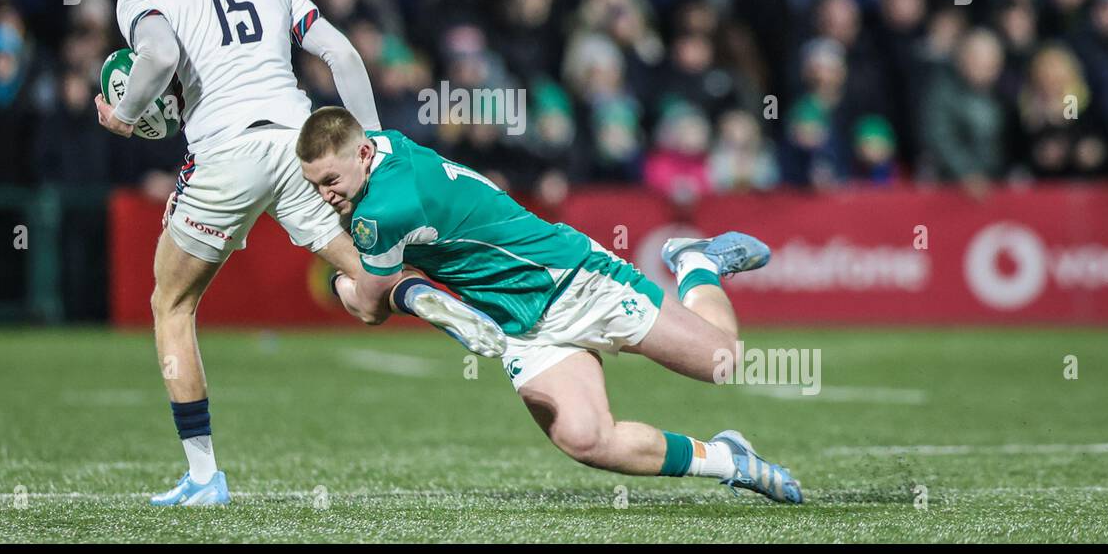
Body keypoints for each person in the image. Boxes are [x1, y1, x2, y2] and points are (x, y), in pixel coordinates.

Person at [94, 0, 504, 507]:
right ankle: (429, 302)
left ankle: (204, 477)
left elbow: (158, 59)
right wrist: (373, 144)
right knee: (369, 288)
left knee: (171, 305)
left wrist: (123, 114)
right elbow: (341, 55)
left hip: (225, 149)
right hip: (298, 139)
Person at [296, 106, 803, 503]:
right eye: (314, 185)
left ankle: (696, 264)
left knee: (722, 362)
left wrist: (350, 286)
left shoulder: (381, 213)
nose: (324, 196)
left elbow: (368, 307)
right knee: (585, 439)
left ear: (362, 155)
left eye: (330, 182)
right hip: (519, 324)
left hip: (573, 280)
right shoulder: (386, 144)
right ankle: (727, 460)